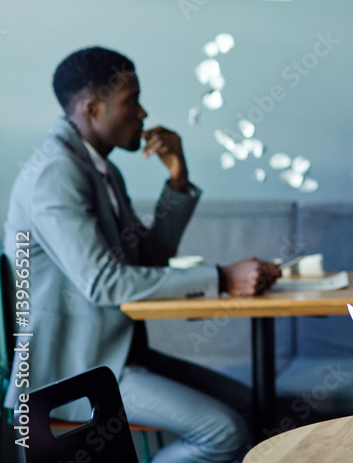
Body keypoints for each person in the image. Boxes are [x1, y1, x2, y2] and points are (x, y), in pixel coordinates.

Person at [3, 46, 280, 463]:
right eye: (131, 101)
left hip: (118, 356)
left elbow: (147, 258)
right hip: (72, 373)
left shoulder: (100, 168)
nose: (143, 113)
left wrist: (178, 180)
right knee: (223, 432)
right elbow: (104, 282)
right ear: (94, 108)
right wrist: (221, 278)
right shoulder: (56, 172)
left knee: (249, 404)